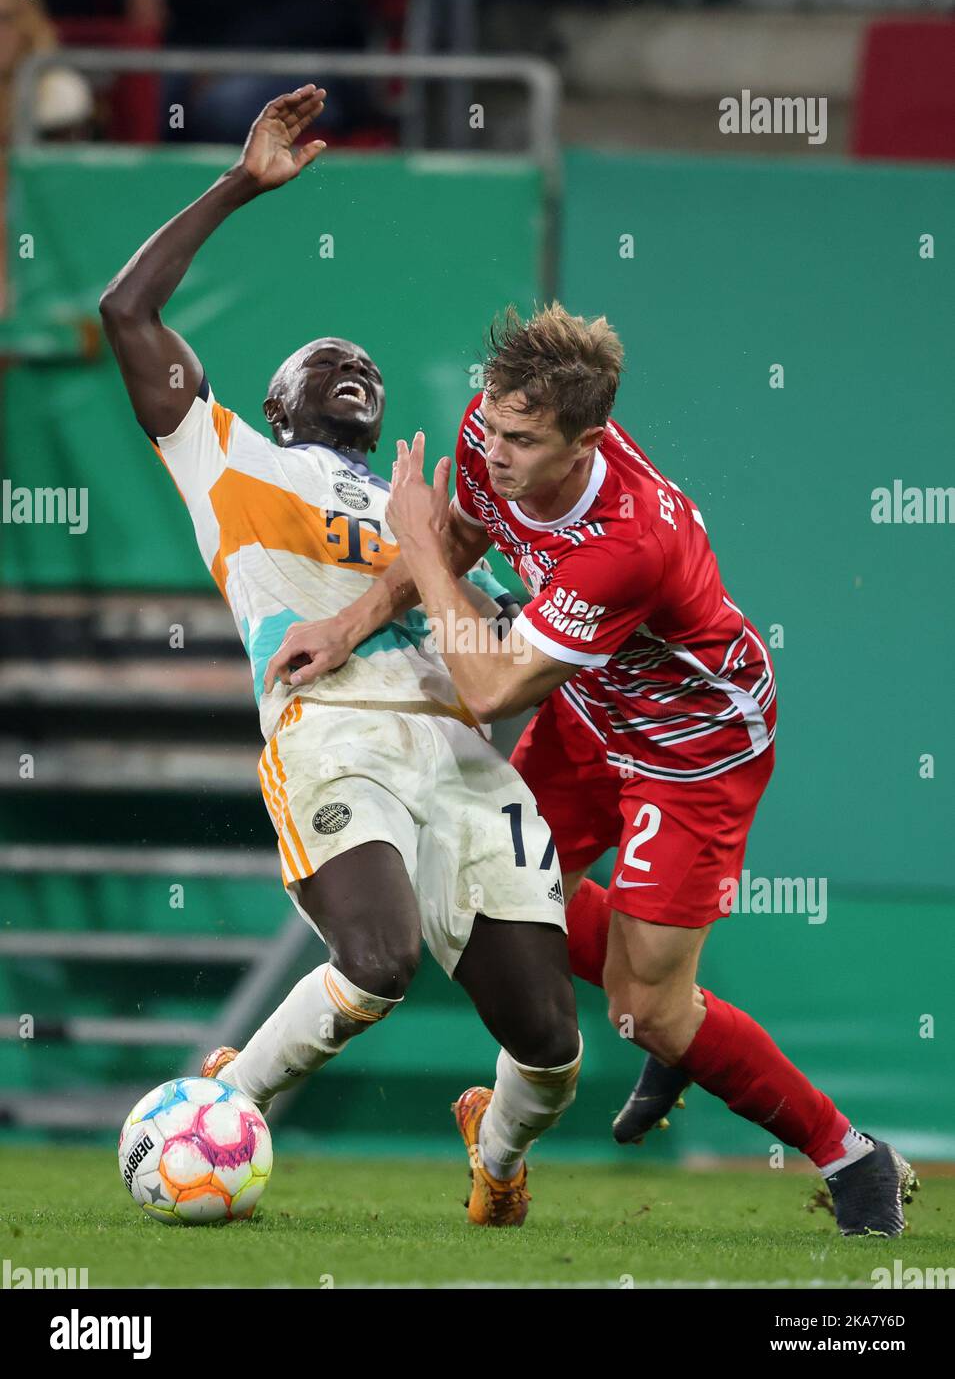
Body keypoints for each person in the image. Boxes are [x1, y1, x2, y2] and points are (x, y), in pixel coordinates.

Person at [266, 303, 919, 1237]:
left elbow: (490, 688)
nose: (494, 450)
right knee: (498, 903)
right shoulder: (494, 433)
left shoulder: (629, 543)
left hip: (690, 746)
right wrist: (346, 622)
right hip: (589, 708)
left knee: (645, 1011)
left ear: (587, 441)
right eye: (489, 425)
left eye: (523, 440)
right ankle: (680, 1020)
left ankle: (854, 1158)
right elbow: (458, 541)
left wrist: (409, 533)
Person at [99, 85, 582, 1229]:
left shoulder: (434, 507)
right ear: (277, 399)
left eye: (356, 362)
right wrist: (241, 184)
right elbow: (127, 311)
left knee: (552, 1047)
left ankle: (498, 1156)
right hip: (337, 733)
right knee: (376, 960)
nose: (346, 364)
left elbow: (513, 644)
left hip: (463, 759)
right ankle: (225, 1104)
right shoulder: (230, 459)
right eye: (322, 362)